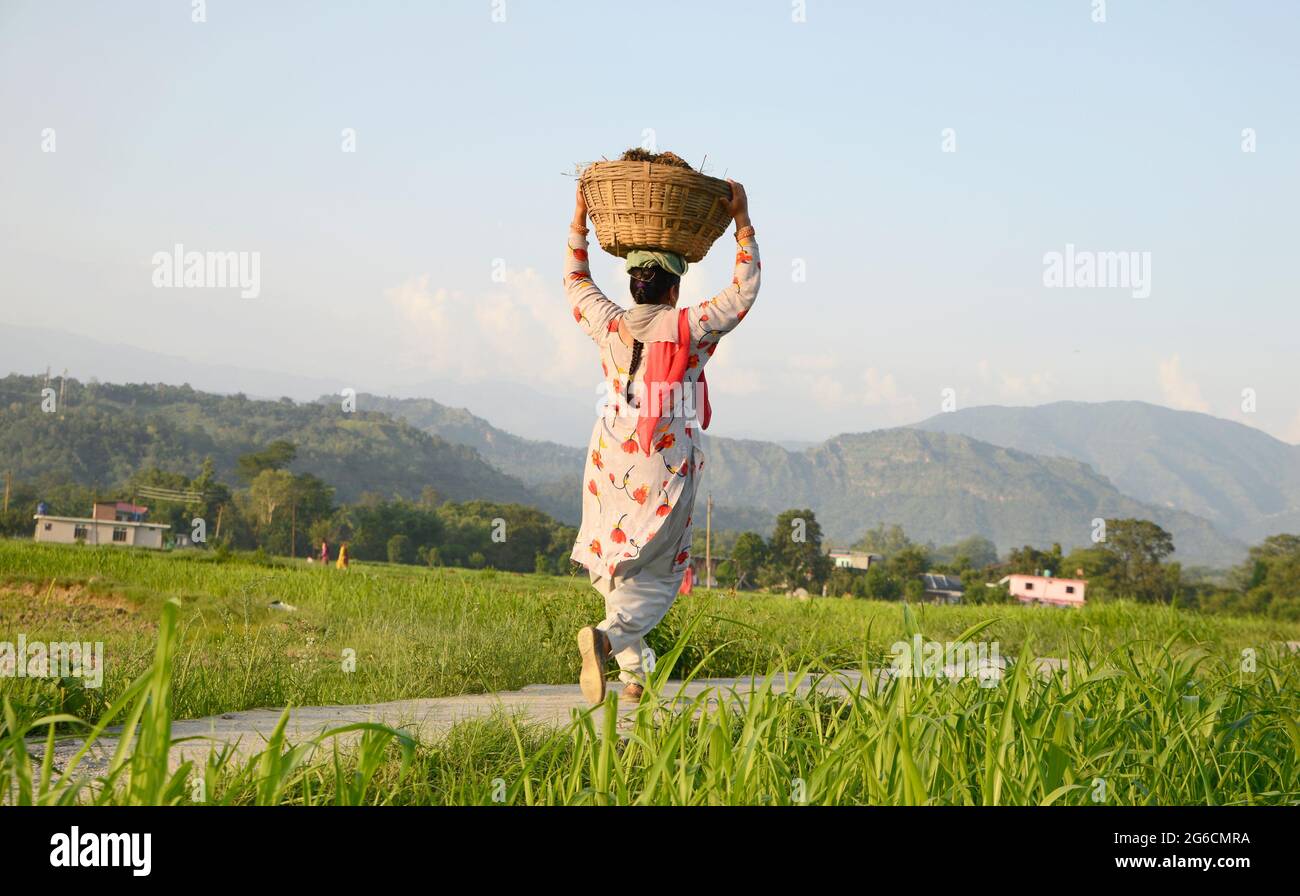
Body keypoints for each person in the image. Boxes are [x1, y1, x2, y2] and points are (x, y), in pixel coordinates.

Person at [565, 178, 759, 704]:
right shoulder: (689, 328)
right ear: (673, 288)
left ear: (633, 287)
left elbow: (575, 279)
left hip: (608, 458)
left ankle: (635, 679)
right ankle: (607, 641)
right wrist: (742, 220)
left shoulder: (607, 323)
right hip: (663, 460)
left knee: (615, 564)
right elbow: (743, 293)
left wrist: (581, 216)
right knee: (661, 574)